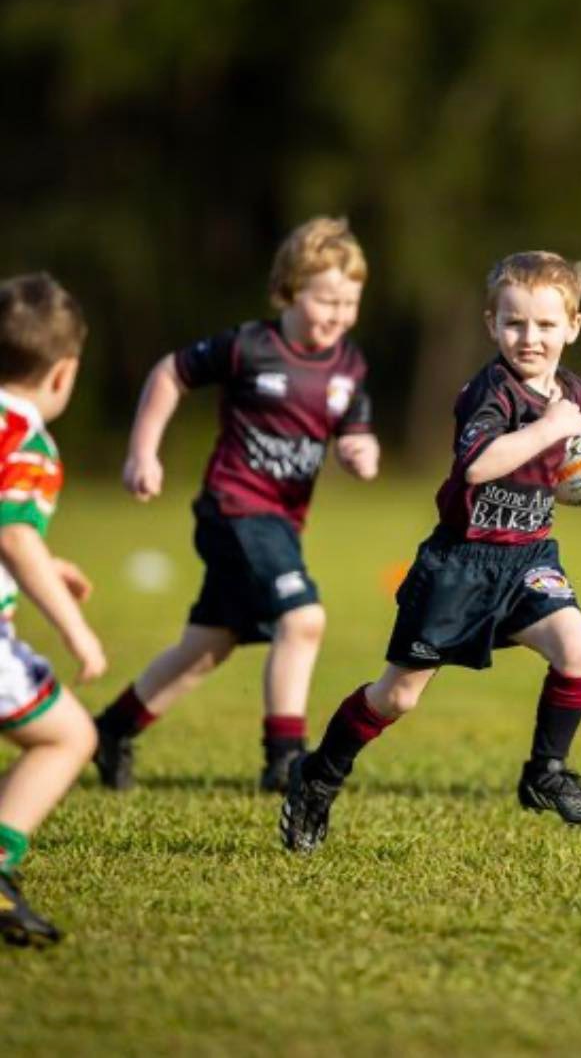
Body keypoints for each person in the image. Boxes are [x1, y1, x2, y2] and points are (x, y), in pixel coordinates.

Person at [280, 250, 581, 854]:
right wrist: (551, 429)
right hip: (461, 566)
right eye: (515, 323)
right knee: (396, 697)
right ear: (491, 325)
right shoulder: (489, 391)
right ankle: (318, 775)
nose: (530, 338)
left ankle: (544, 773)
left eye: (546, 325)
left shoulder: (574, 394)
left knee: (580, 649)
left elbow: (551, 471)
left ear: (573, 327)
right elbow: (479, 467)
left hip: (528, 560)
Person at [92, 216, 379, 794]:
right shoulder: (251, 346)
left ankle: (111, 730)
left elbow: (357, 430)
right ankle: (284, 759)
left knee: (207, 646)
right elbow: (170, 373)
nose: (338, 315)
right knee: (303, 619)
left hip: (281, 524)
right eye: (326, 300)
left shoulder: (348, 365)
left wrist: (360, 452)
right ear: (290, 289)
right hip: (234, 509)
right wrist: (143, 452)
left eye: (349, 303)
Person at [0, 273, 106, 945]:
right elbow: (12, 529)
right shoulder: (28, 443)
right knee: (69, 735)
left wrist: (43, 559)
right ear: (63, 375)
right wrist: (77, 631)